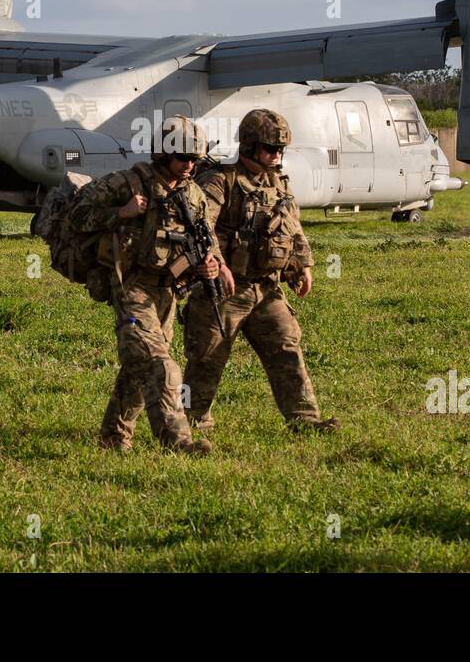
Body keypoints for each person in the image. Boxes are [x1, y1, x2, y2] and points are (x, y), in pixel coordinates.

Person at [69, 114, 220, 455]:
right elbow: (77, 215)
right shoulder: (129, 183)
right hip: (132, 287)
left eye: (195, 159)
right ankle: (178, 441)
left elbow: (208, 239)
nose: (190, 165)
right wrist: (120, 213)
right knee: (160, 365)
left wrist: (211, 263)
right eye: (183, 157)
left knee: (138, 369)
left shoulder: (194, 195)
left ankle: (113, 436)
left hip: (168, 293)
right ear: (163, 154)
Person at [183, 108, 338, 435]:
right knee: (206, 360)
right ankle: (189, 426)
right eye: (270, 149)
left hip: (266, 289)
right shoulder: (220, 181)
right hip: (224, 292)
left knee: (287, 349)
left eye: (280, 149)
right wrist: (218, 264)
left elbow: (292, 228)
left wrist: (301, 265)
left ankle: (305, 422)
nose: (277, 155)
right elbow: (200, 227)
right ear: (250, 147)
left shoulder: (279, 183)